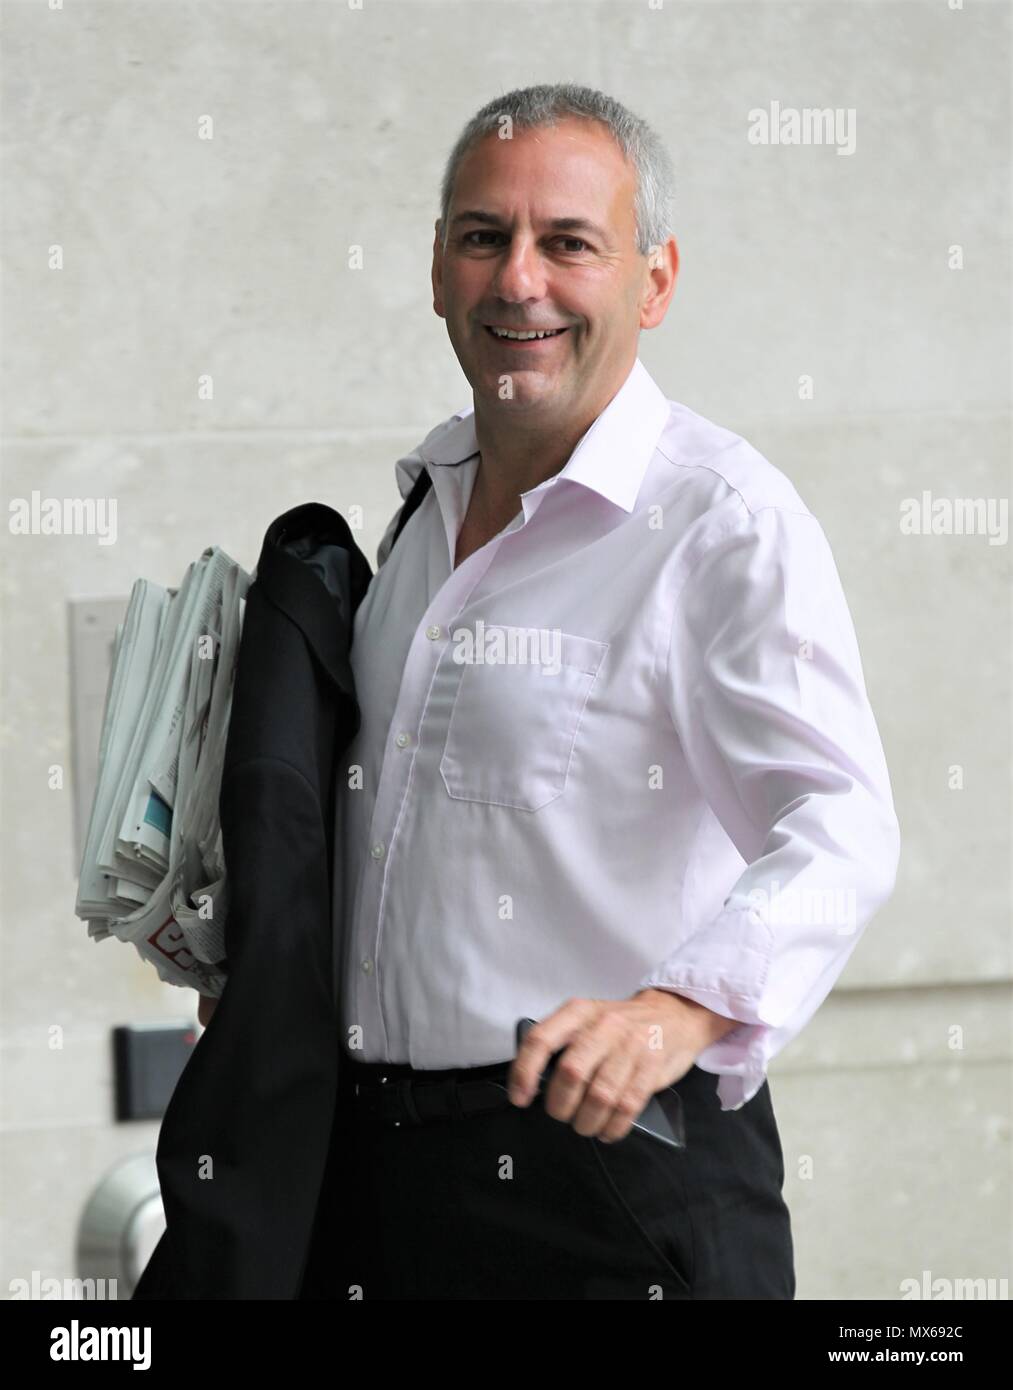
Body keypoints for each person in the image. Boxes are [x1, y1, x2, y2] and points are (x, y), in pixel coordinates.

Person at [308, 82, 900, 1300]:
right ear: (435, 269)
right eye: (483, 237)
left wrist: (676, 1010)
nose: (517, 280)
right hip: (380, 1179)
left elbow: (840, 827)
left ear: (654, 282)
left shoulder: (718, 523)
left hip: (611, 1186)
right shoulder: (423, 505)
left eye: (568, 242)